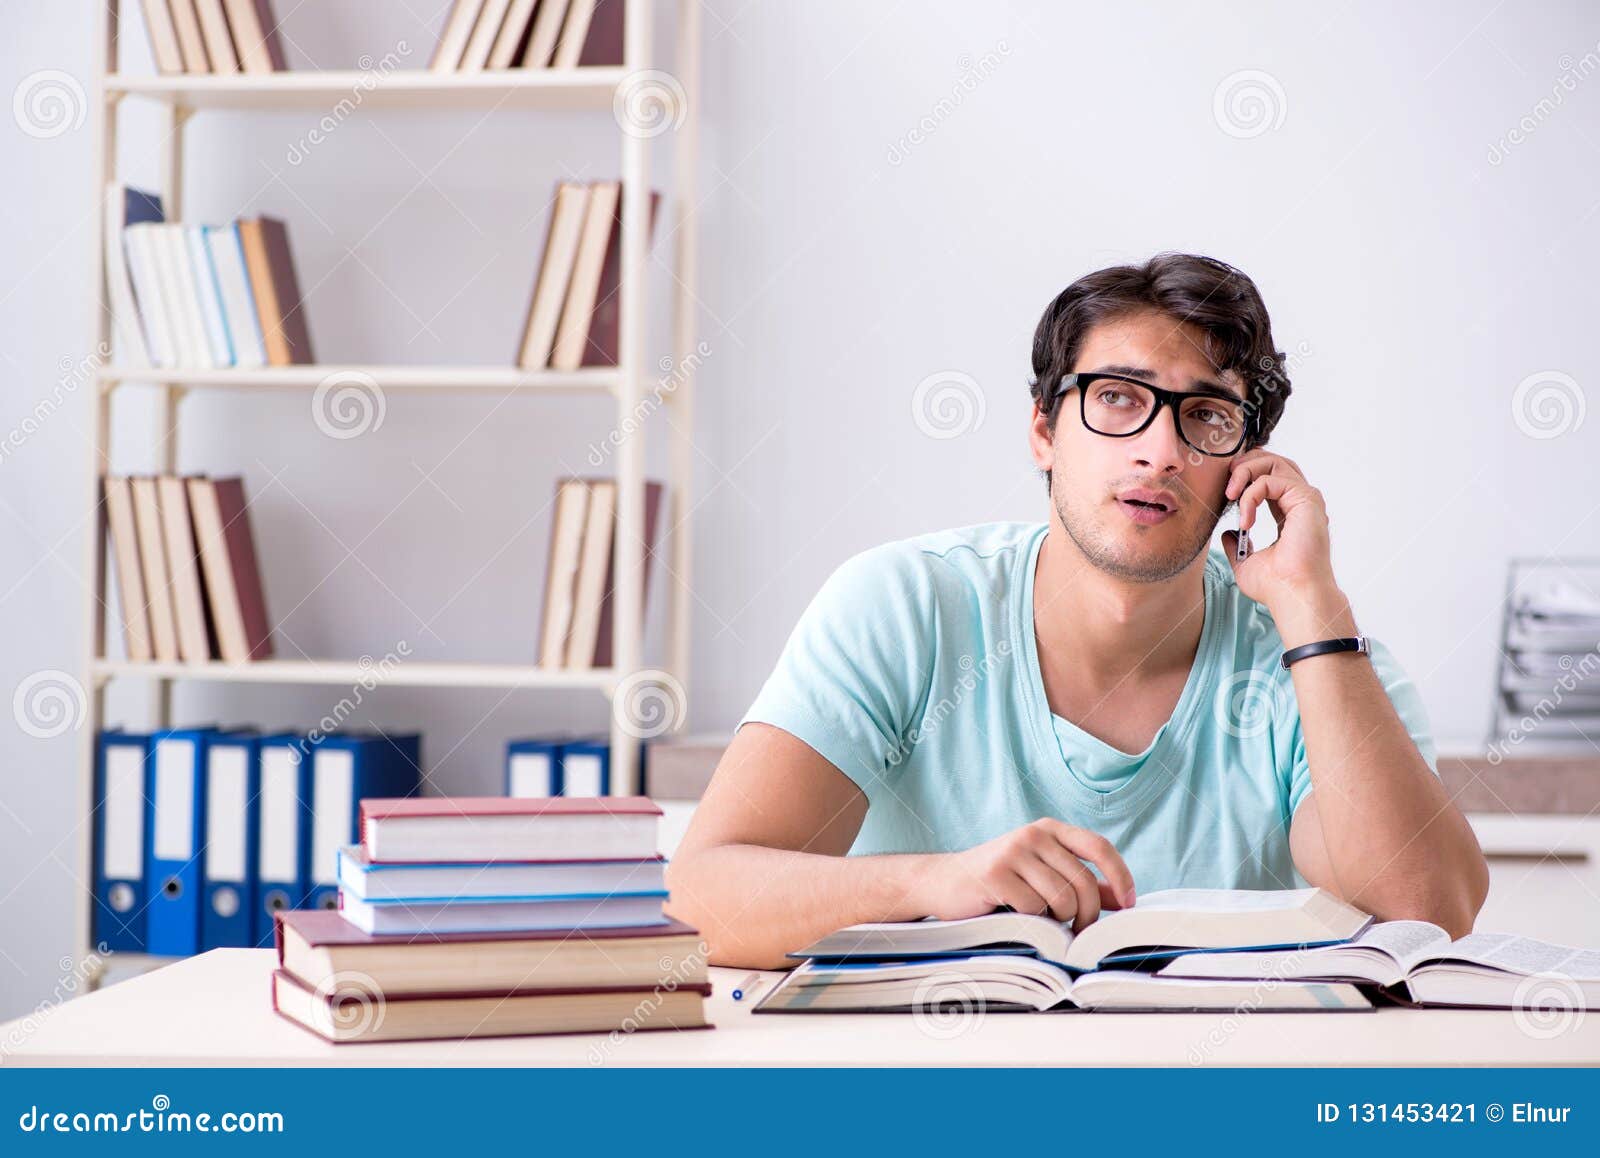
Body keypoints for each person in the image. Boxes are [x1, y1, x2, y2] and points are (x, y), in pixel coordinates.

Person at [666, 252, 1488, 969]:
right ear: (1043, 434)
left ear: (1243, 465)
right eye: (1119, 399)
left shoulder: (1320, 658)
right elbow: (703, 898)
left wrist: (1313, 606)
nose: (1159, 451)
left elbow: (1425, 909)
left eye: (1207, 416)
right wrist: (936, 880)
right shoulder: (906, 605)